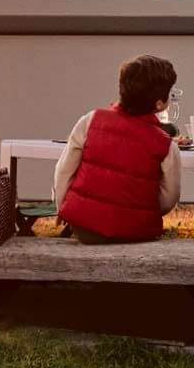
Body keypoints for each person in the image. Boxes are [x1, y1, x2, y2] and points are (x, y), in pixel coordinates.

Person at [53, 54, 184, 244]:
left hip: (86, 228)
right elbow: (169, 198)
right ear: (159, 103)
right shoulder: (167, 145)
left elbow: (63, 172)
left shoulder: (90, 120)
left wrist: (63, 208)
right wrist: (142, 211)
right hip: (137, 233)